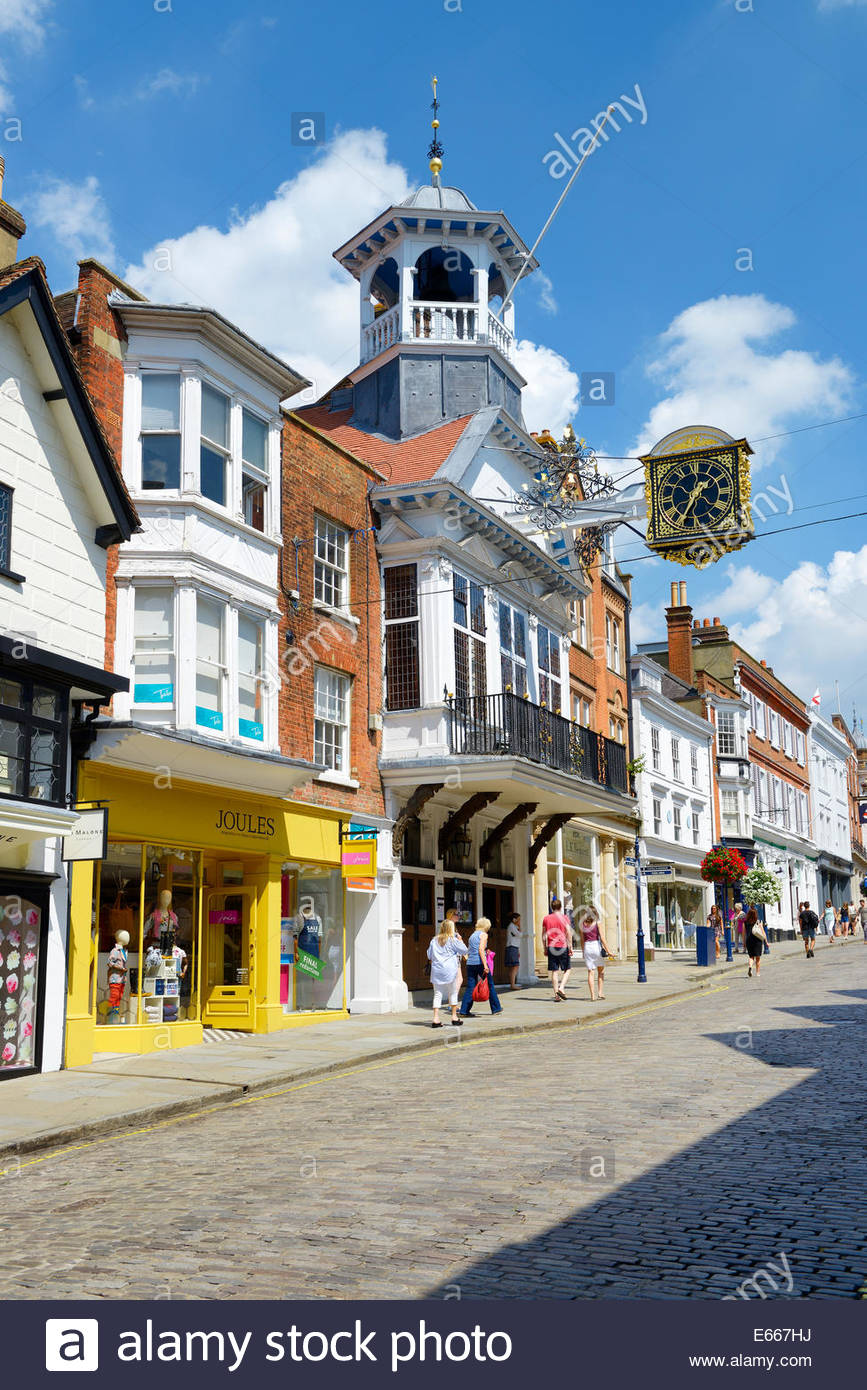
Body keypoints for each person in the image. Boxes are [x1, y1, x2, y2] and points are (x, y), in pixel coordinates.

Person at [427, 919, 468, 1028]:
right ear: (451, 929)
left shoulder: (433, 940)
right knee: (453, 993)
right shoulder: (453, 940)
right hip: (450, 970)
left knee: (437, 994)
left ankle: (435, 1018)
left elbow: (429, 956)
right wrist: (460, 940)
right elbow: (464, 950)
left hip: (437, 970)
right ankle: (454, 1017)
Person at [458, 916, 503, 1018]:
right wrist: (485, 965)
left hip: (470, 963)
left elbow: (471, 950)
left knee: (470, 986)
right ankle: (496, 1008)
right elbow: (480, 950)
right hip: (479, 963)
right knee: (490, 985)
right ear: (486, 927)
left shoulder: (472, 935)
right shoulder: (483, 935)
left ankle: (464, 1010)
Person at [541, 898, 575, 1001]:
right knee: (567, 969)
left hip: (551, 946)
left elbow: (543, 935)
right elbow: (568, 933)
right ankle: (561, 987)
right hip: (562, 946)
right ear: (560, 907)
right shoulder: (564, 918)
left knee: (554, 971)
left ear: (552, 907)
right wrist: (570, 946)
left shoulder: (546, 918)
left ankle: (556, 995)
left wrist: (545, 947)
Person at [579, 907, 613, 1001]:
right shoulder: (597, 923)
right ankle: (600, 993)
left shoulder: (583, 924)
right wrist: (609, 951)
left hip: (587, 947)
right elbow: (602, 938)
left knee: (590, 972)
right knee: (601, 971)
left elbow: (582, 940)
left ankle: (592, 996)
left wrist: (583, 952)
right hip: (596, 946)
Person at [745, 906, 767, 977]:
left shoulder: (746, 922)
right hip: (757, 941)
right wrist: (766, 942)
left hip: (749, 940)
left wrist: (744, 942)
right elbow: (763, 932)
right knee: (758, 958)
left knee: (751, 956)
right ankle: (757, 973)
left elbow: (743, 932)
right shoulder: (758, 922)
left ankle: (750, 967)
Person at [504, 911, 522, 990]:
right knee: (514, 966)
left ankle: (512, 983)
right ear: (514, 920)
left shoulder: (514, 927)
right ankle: (512, 984)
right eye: (518, 919)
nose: (519, 921)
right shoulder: (512, 926)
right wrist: (519, 927)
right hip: (512, 947)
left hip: (515, 947)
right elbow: (519, 935)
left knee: (514, 966)